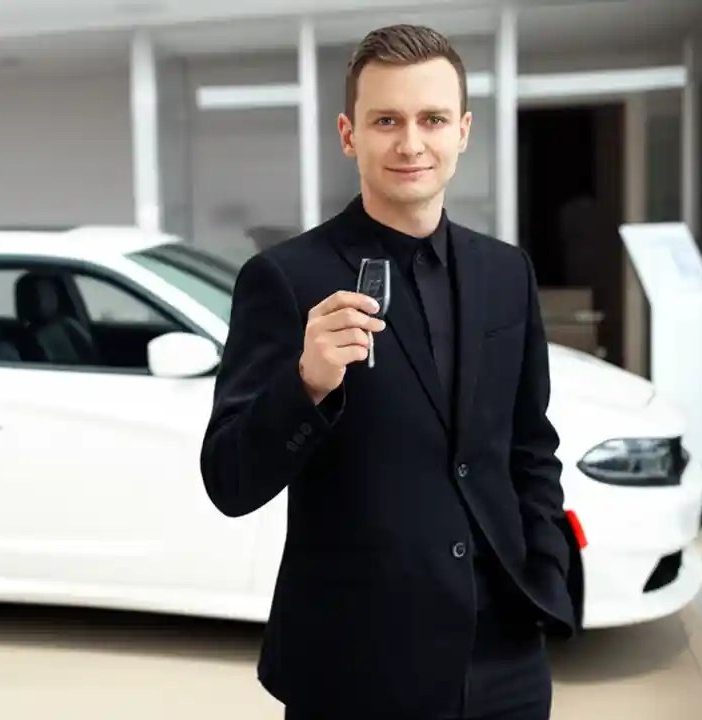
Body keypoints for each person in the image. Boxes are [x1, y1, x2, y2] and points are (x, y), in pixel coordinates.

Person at [199, 24, 580, 720]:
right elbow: (228, 480)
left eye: (432, 119)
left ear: (463, 131)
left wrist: (543, 568)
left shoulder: (506, 272)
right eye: (386, 121)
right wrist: (306, 385)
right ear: (349, 134)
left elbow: (529, 444)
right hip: (357, 666)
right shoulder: (285, 279)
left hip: (505, 657)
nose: (411, 143)